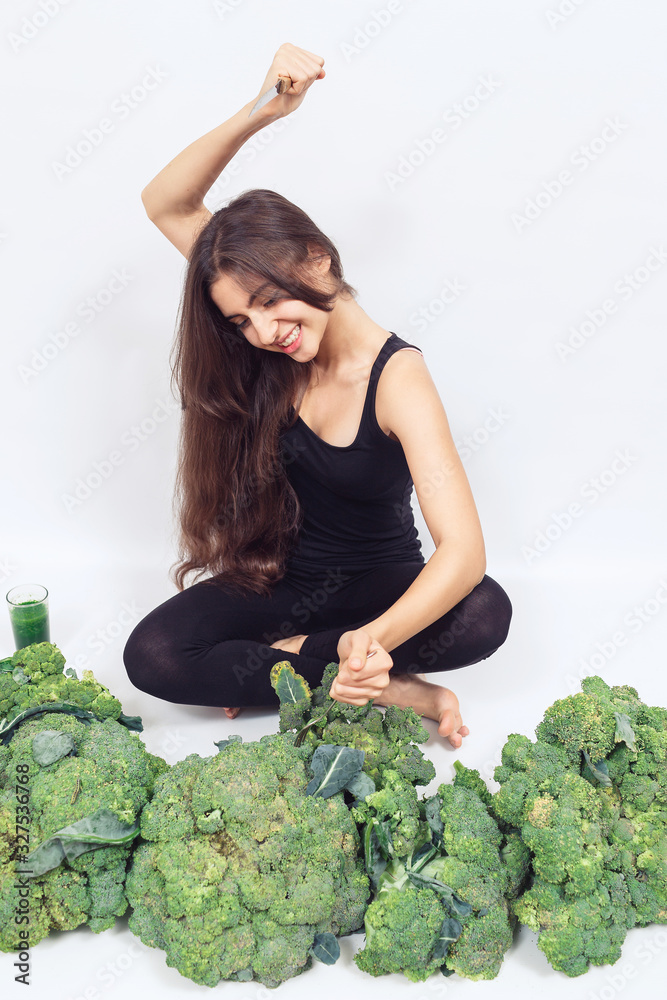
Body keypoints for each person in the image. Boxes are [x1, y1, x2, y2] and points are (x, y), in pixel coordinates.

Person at [122, 42, 512, 749]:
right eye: (241, 320)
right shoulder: (258, 315)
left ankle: (310, 670)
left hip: (378, 585)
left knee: (484, 612)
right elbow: (165, 202)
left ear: (316, 259)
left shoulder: (398, 377)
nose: (265, 332)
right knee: (151, 656)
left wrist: (370, 638)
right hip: (277, 581)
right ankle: (388, 690)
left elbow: (463, 552)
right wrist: (261, 111)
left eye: (272, 303)